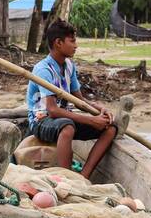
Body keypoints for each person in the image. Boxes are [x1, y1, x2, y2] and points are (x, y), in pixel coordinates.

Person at [25, 18, 125, 175]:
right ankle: (67, 178)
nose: (76, 45)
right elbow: (52, 111)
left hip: (63, 119)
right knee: (67, 127)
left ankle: (84, 176)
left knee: (111, 128)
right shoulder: (43, 70)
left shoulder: (69, 66)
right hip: (40, 121)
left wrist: (99, 110)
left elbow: (79, 101)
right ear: (58, 43)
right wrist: (91, 120)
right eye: (72, 41)